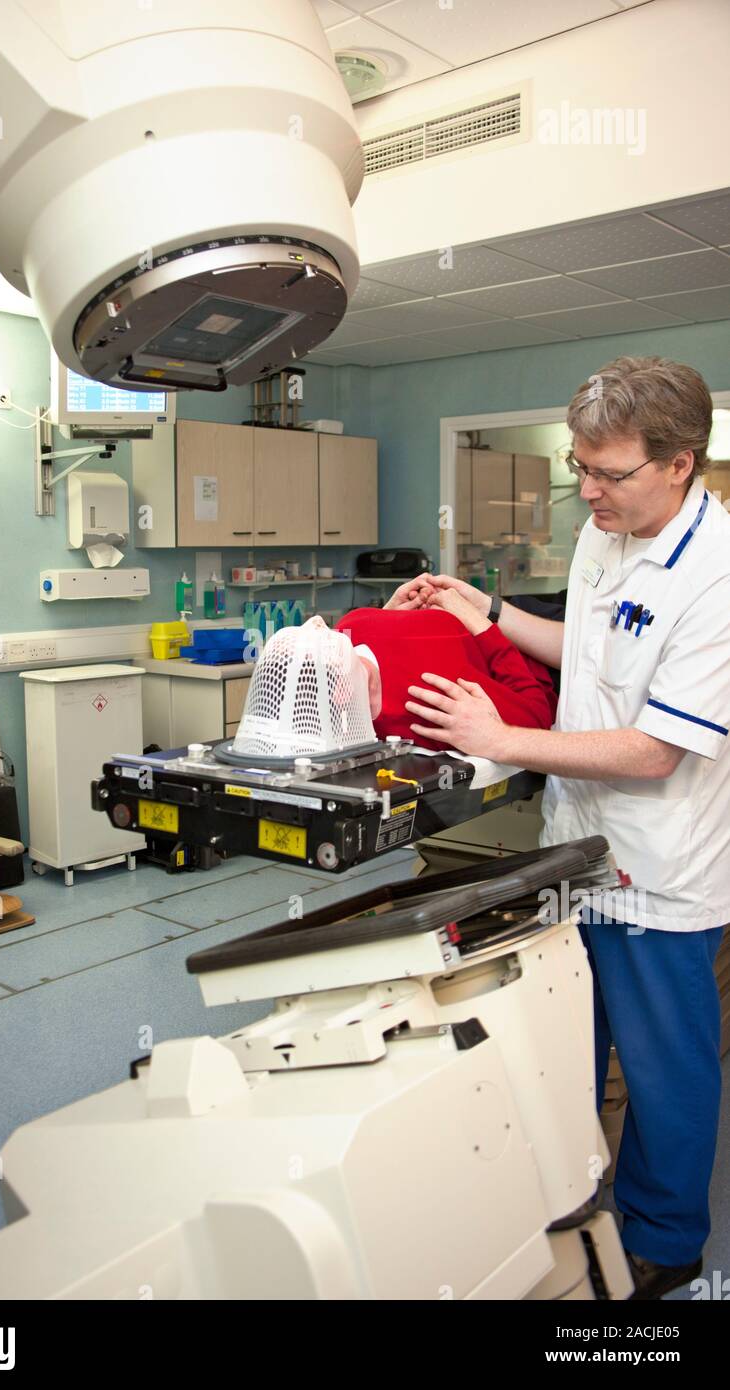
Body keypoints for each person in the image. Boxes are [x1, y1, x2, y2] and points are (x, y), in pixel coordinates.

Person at [398, 355, 728, 1301]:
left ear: (680, 463)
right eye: (580, 469)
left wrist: (508, 737)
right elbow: (584, 640)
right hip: (572, 846)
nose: (588, 490)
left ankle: (668, 1240)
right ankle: (565, 1197)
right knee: (561, 1037)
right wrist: (491, 612)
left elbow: (660, 749)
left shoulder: (717, 576)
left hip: (660, 870)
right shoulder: (604, 530)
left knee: (664, 1072)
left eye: (610, 472)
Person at [335, 588, 557, 744]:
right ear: (341, 695)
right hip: (539, 665)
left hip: (503, 623)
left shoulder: (349, 627)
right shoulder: (431, 697)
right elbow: (536, 722)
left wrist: (387, 614)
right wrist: (480, 617)